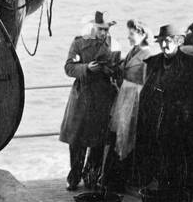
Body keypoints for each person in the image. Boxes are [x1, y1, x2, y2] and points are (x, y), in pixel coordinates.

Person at [134, 23, 193, 202]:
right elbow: (146, 97)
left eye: (168, 41)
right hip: (156, 125)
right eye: (161, 42)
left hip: (179, 127)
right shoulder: (153, 63)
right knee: (158, 169)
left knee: (180, 172)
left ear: (178, 41)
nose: (164, 45)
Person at [59, 13, 119, 191]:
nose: (104, 33)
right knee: (76, 139)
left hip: (102, 97)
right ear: (94, 27)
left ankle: (91, 176)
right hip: (82, 96)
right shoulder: (78, 43)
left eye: (107, 30)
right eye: (101, 29)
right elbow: (69, 68)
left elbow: (116, 69)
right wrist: (86, 68)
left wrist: (110, 69)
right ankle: (74, 176)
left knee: (98, 141)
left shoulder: (112, 44)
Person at [101, 19, 156, 189]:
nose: (129, 37)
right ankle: (115, 177)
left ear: (142, 35)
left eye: (132, 34)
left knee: (128, 136)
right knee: (120, 135)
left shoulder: (147, 55)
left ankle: (123, 178)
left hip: (135, 96)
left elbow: (148, 82)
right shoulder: (134, 50)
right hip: (125, 94)